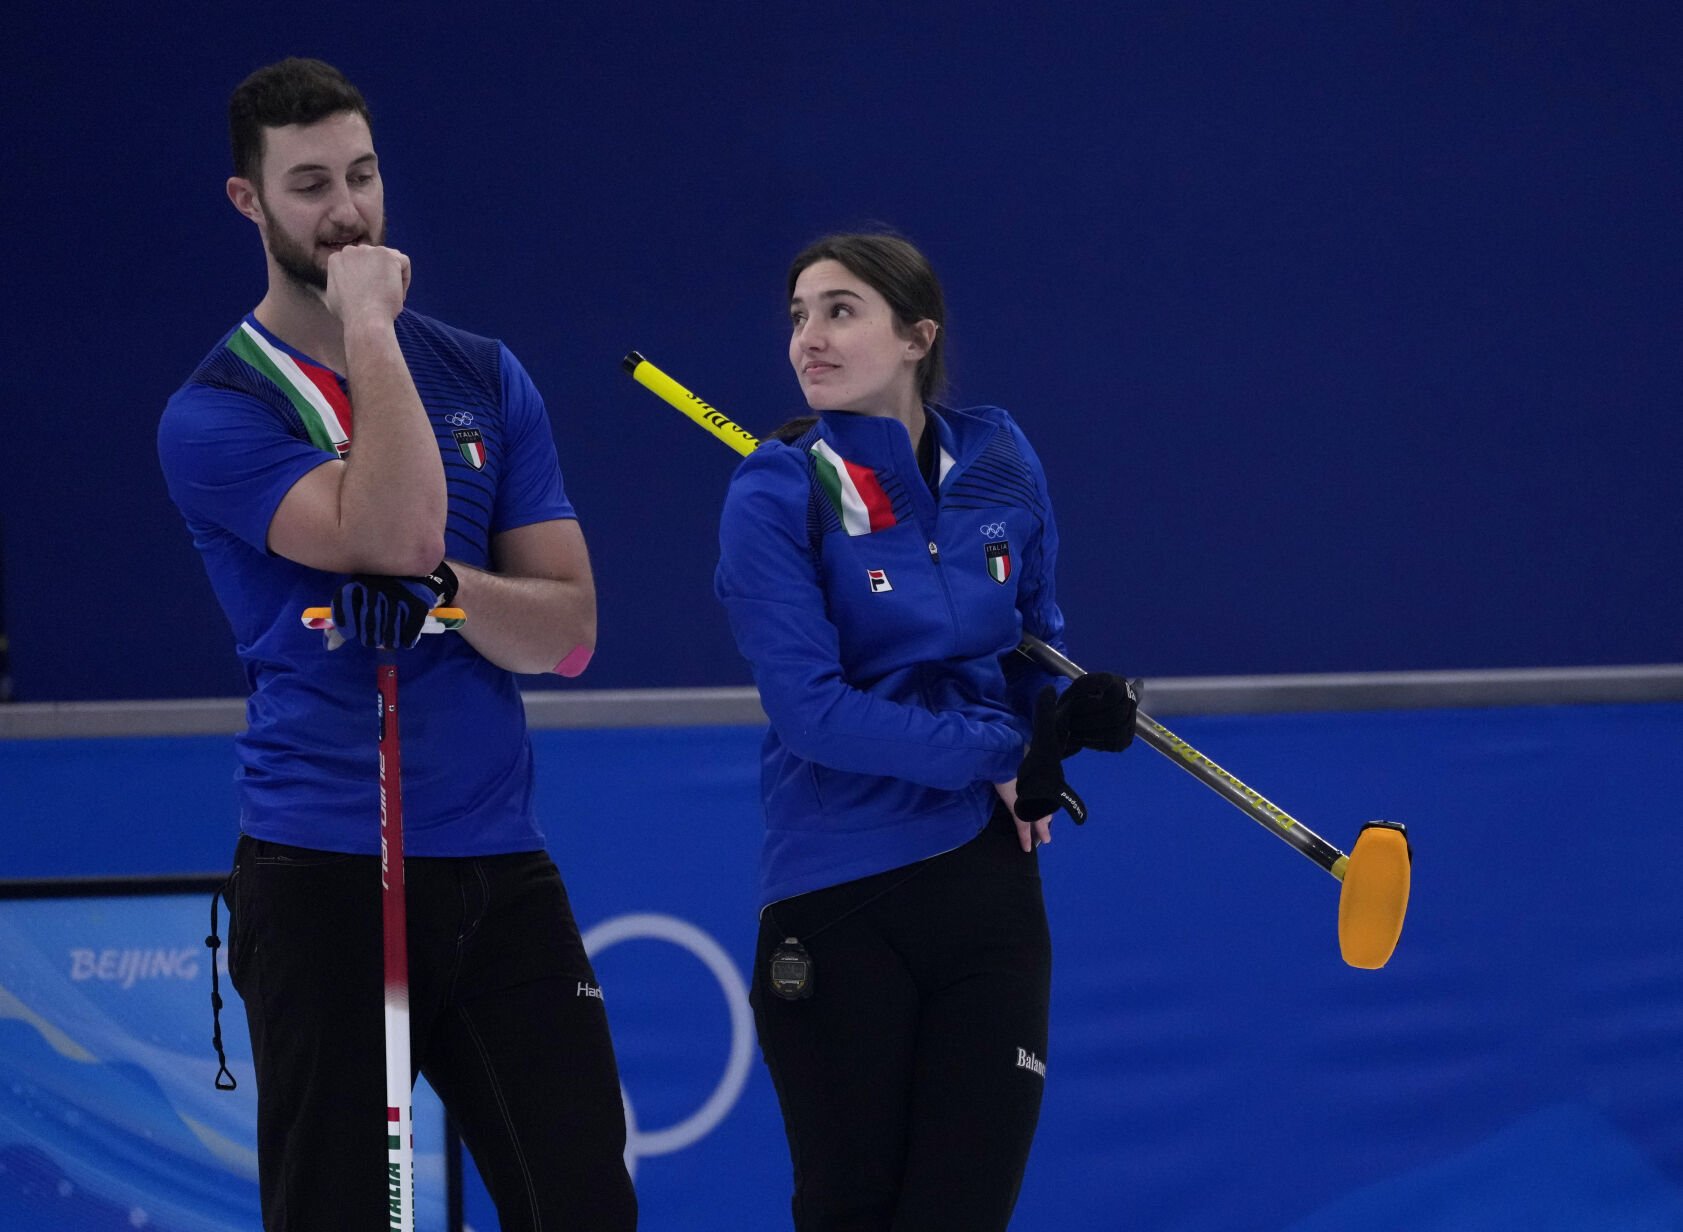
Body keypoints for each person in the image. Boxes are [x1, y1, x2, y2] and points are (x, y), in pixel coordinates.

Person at [157, 57, 636, 1230]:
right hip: (326, 870)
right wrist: (369, 321)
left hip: (496, 864)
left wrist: (452, 599)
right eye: (311, 185)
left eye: (363, 176)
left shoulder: (484, 372)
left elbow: (568, 631)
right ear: (248, 202)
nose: (350, 212)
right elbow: (394, 526)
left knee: (585, 1206)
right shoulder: (217, 409)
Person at [714, 232, 1139, 1230]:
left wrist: (1066, 717)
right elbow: (811, 712)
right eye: (798, 315)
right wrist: (1002, 752)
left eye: (840, 310)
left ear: (918, 335)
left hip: (987, 889)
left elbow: (1037, 639)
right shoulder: (775, 491)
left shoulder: (1000, 456)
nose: (808, 337)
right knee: (853, 1209)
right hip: (839, 891)